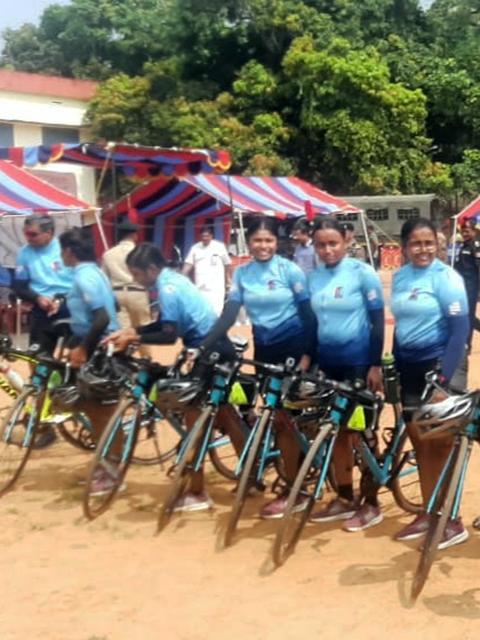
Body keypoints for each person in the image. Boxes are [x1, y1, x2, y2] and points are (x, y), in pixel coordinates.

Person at [104, 244, 248, 512]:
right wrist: (132, 330)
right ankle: (248, 473)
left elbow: (169, 334)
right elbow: (163, 326)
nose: (136, 280)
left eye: (137, 274)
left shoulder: (168, 288)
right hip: (213, 349)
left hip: (207, 351)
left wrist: (134, 335)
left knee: (195, 420)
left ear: (151, 269)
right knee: (225, 414)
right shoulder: (173, 280)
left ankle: (197, 491)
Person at [196, 217, 316, 522]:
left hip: (294, 349)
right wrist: (206, 342)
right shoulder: (243, 274)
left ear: (277, 243)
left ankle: (296, 487)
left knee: (288, 419)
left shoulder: (289, 270)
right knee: (273, 415)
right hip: (264, 349)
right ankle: (287, 471)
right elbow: (229, 314)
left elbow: (309, 317)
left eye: (269, 241)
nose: (263, 246)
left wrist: (307, 355)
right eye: (257, 241)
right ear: (248, 243)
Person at [389, 218, 471, 545]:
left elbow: (460, 332)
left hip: (441, 362)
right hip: (409, 364)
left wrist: (443, 381)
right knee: (420, 442)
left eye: (429, 243)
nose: (423, 250)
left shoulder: (447, 278)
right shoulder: (399, 277)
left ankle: (452, 519)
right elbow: (401, 325)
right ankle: (428, 511)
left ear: (437, 245)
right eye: (416, 244)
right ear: (405, 246)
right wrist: (392, 362)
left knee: (441, 442)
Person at [305, 215, 386, 528]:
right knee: (337, 432)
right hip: (329, 364)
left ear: (347, 240)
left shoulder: (363, 274)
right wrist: (308, 359)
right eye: (321, 245)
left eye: (333, 243)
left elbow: (378, 322)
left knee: (363, 433)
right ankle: (343, 496)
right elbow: (313, 325)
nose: (327, 251)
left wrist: (375, 364)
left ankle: (371, 503)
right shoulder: (313, 278)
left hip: (358, 363)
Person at [57, 228, 123, 495]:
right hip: (94, 344)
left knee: (103, 413)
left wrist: (84, 348)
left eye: (62, 250)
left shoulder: (85, 278)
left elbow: (103, 317)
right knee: (93, 411)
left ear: (69, 252)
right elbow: (114, 306)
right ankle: (103, 465)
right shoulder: (94, 273)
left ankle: (112, 473)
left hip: (100, 348)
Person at [13, 215, 73, 356]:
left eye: (33, 234)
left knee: (73, 356)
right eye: (26, 233)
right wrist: (37, 298)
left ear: (49, 232)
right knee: (37, 355)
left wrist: (62, 300)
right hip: (42, 308)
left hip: (70, 306)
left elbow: (82, 280)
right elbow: (19, 286)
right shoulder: (24, 253)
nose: (29, 238)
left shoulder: (66, 249)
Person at [101, 219, 152, 356]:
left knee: (122, 332)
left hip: (117, 294)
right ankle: (146, 361)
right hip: (137, 293)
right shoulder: (140, 252)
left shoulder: (108, 254)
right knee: (143, 329)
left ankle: (121, 364)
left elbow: (104, 279)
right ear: (134, 235)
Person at [450, 220, 480, 350]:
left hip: (471, 287)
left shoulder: (476, 246)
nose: (465, 233)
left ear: (474, 231)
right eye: (463, 231)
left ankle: (467, 345)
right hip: (460, 287)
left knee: (468, 316)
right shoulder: (462, 246)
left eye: (467, 231)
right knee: (464, 315)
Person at [182, 224, 232, 315]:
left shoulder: (219, 247)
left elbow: (227, 264)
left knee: (216, 311)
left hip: (216, 287)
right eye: (203, 236)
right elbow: (188, 264)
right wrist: (181, 277)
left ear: (211, 236)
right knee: (202, 311)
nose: (205, 238)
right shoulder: (195, 248)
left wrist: (228, 279)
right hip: (201, 286)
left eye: (207, 236)